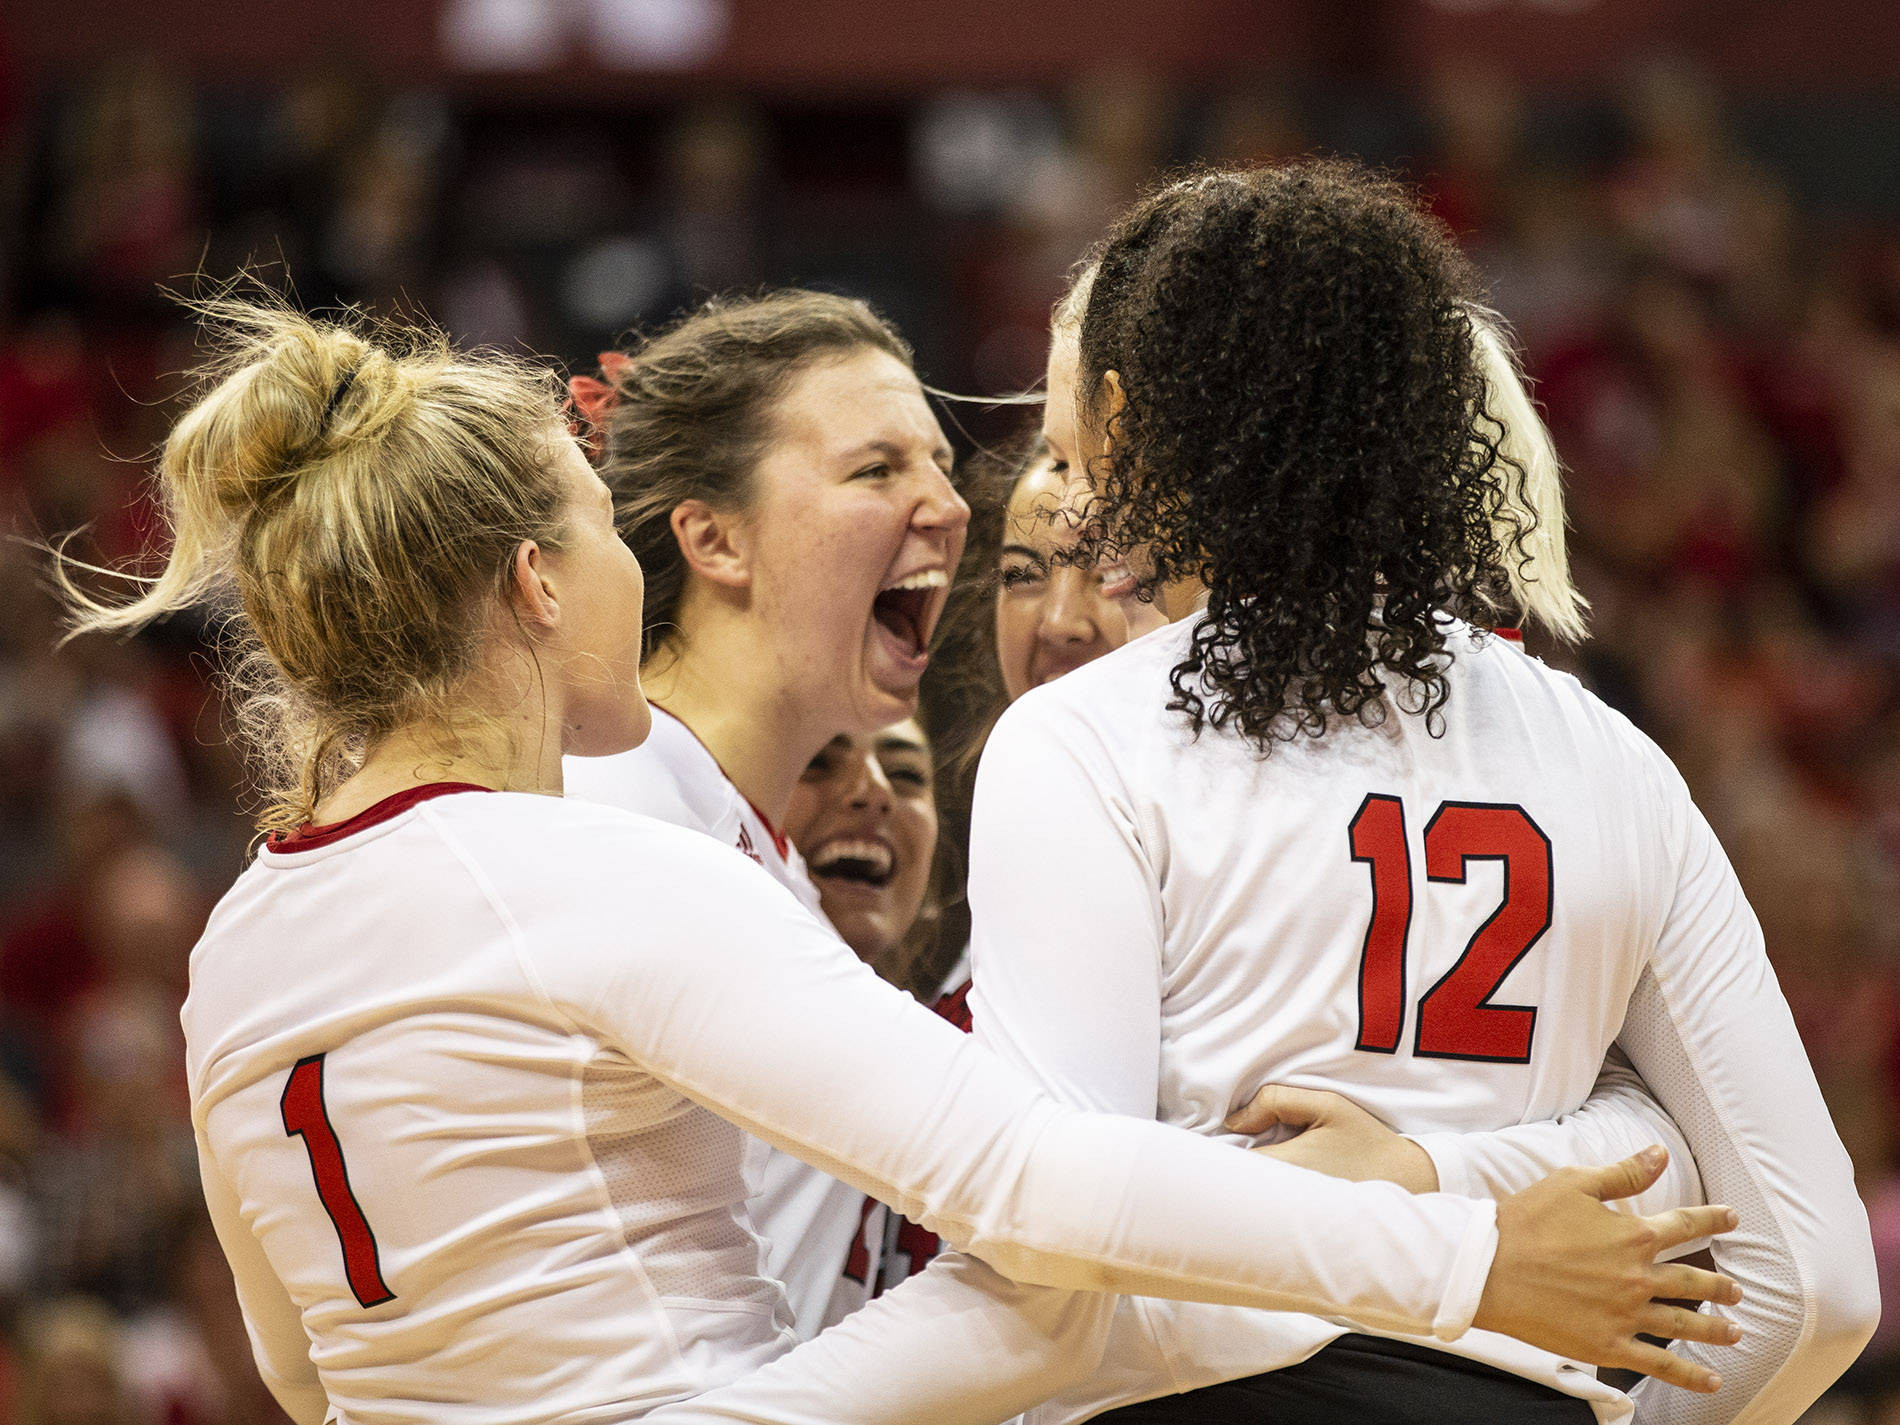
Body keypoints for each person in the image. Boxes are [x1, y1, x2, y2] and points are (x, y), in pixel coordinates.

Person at [58, 298, 1737, 1425]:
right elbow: (1030, 1193)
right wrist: (1462, 1256)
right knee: (1051, 1290)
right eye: (595, 516)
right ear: (535, 585)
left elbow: (299, 1362)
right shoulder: (585, 875)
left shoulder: (246, 943)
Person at [962, 164, 1876, 1423]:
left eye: (1066, 446)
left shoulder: (1081, 739)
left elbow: (1051, 1246)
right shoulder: (1612, 761)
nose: (1065, 490)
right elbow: (1813, 1283)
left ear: (1125, 422)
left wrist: (1382, 1196)